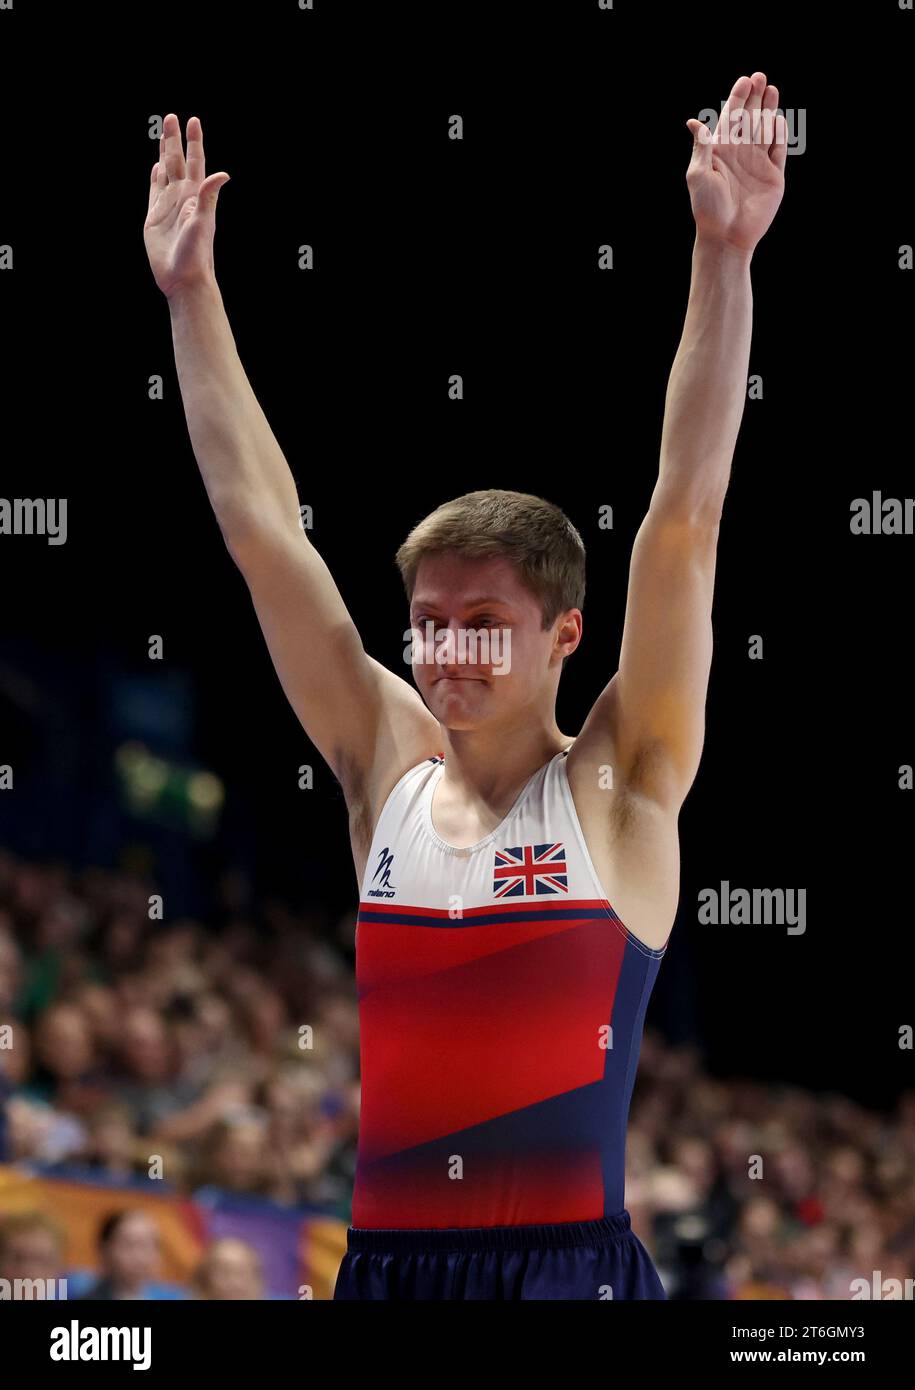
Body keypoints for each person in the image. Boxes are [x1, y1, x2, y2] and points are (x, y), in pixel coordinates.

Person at [143, 71, 787, 1299]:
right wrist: (191, 295)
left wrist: (724, 254)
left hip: (568, 1274)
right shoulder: (382, 760)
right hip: (387, 1272)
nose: (446, 652)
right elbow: (260, 530)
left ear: (564, 635)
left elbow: (685, 521)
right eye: (429, 623)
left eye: (485, 623)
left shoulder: (621, 782)